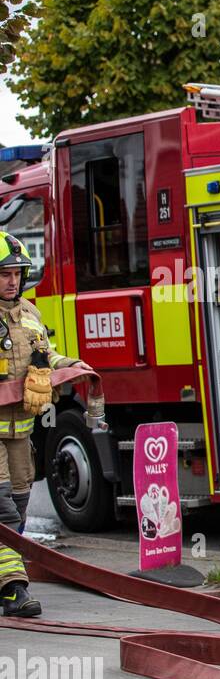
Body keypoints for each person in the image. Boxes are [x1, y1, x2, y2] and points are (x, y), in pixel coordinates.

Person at [0, 231, 93, 617]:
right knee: (3, 509)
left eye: (17, 273)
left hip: (21, 432)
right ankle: (13, 589)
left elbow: (46, 354)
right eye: (4, 273)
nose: (12, 280)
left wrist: (68, 365)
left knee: (20, 507)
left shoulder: (31, 315)